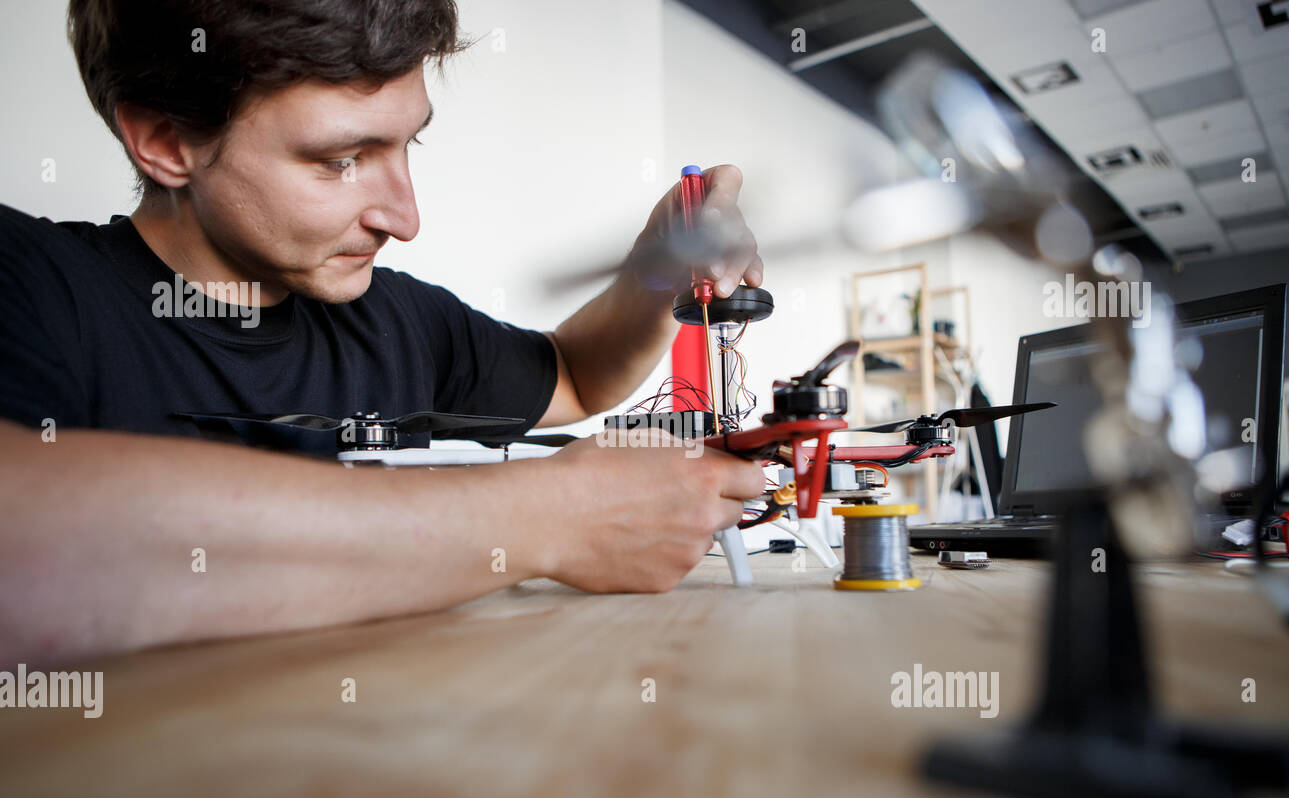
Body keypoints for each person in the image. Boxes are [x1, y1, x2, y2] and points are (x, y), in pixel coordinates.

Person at [0, 0, 766, 665]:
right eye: (340, 160)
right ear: (166, 141)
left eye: (408, 144)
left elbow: (575, 377)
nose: (405, 217)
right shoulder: (30, 283)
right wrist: (548, 517)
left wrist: (657, 270)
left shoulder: (396, 320)